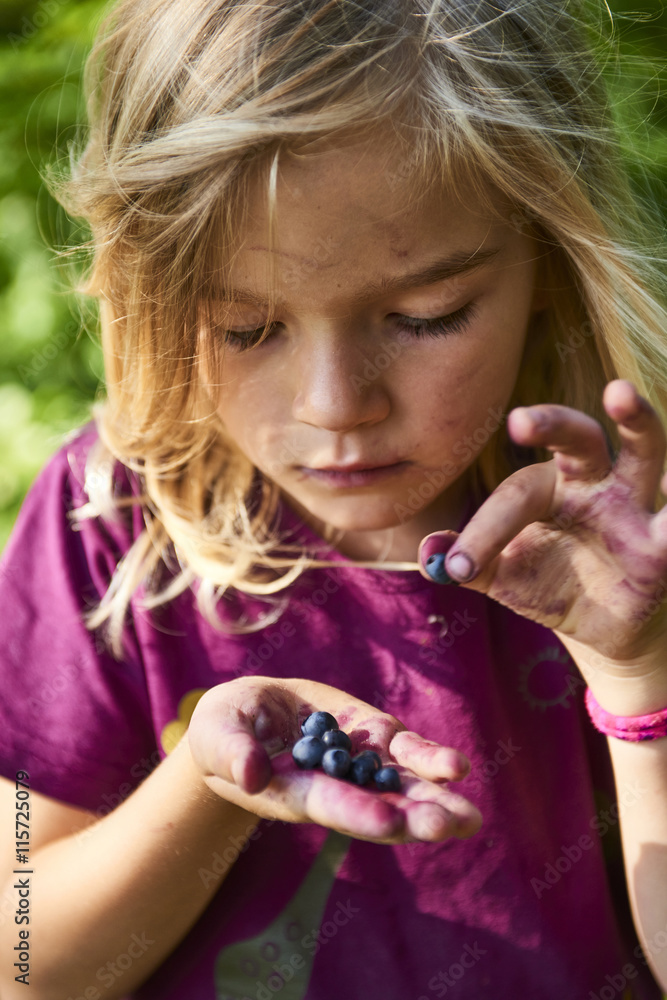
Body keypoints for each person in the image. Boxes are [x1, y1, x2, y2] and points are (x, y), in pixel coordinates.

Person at [0, 0, 666, 996]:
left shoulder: (632, 543)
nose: (334, 406)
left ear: (549, 264)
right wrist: (210, 787)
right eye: (245, 327)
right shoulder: (107, 521)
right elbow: (20, 954)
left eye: (424, 316)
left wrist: (639, 677)